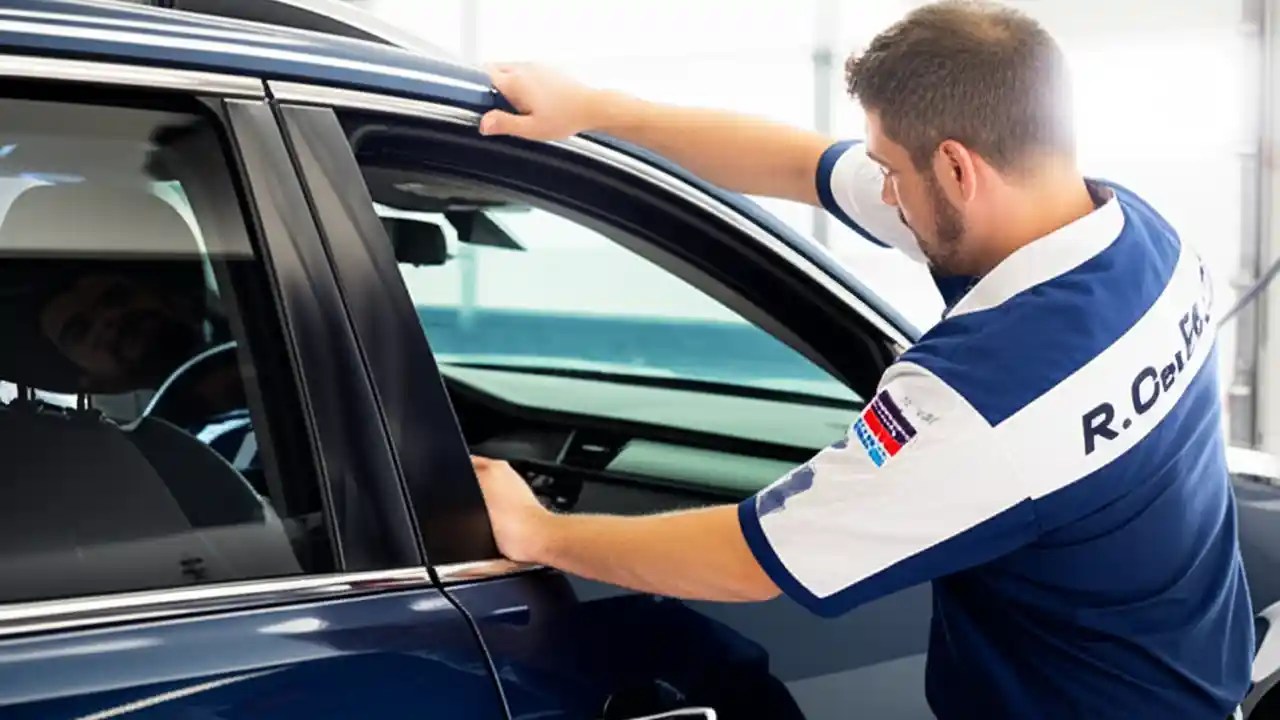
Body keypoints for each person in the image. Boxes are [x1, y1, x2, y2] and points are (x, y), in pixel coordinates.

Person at [469, 1, 1255, 718]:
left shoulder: (984, 399)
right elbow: (801, 164)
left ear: (957, 168)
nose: (883, 189)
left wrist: (543, 534)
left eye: (892, 172)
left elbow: (754, 558)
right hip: (1189, 680)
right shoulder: (1147, 239)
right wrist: (597, 111)